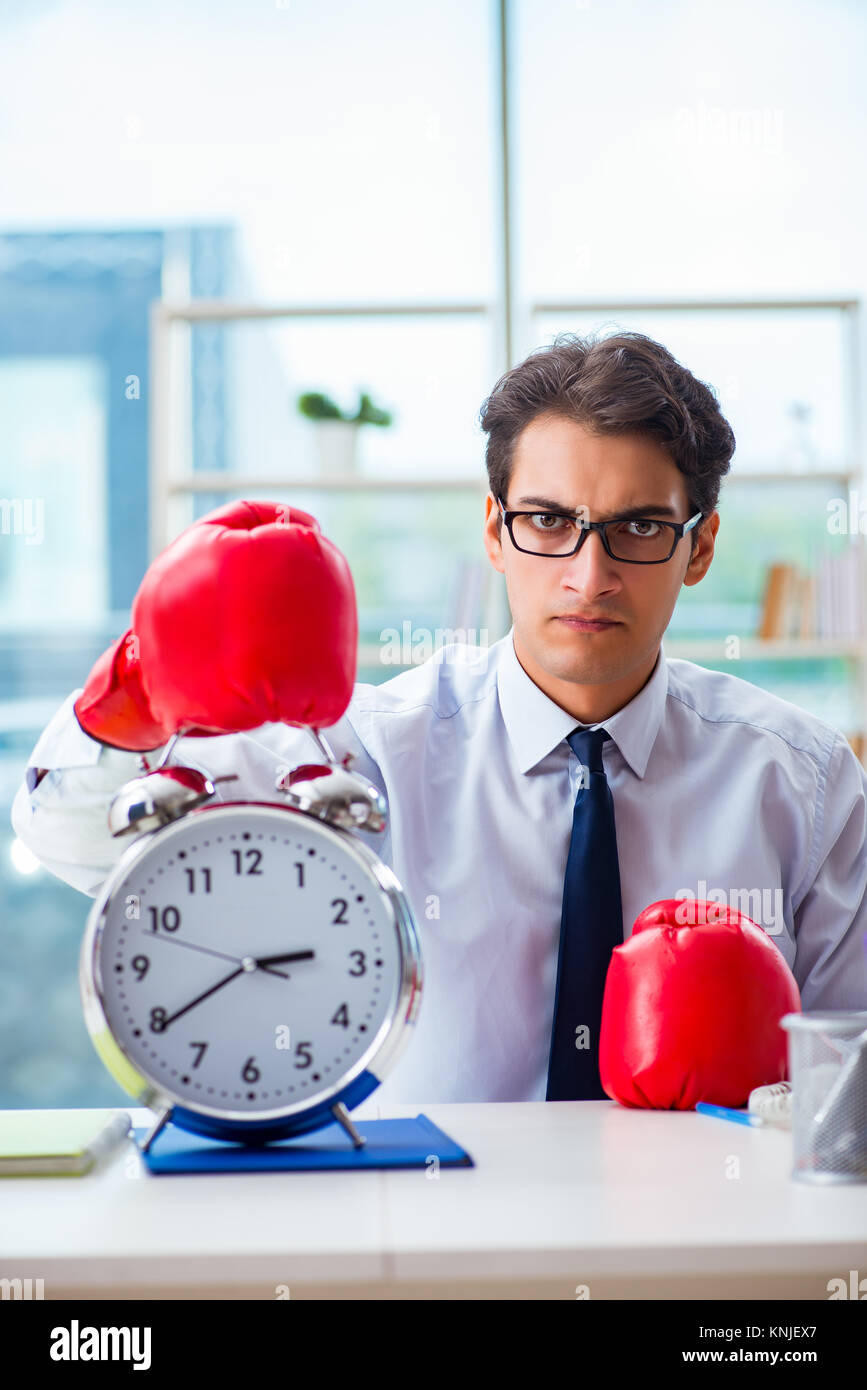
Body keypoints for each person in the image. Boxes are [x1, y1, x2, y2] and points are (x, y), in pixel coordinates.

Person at [11, 331, 867, 1110]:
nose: (588, 574)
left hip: (708, 1258)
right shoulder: (361, 750)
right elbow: (81, 844)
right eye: (547, 521)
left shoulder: (801, 780)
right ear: (494, 532)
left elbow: (849, 1087)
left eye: (638, 527)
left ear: (701, 545)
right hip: (418, 1251)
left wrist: (748, 1109)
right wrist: (142, 683)